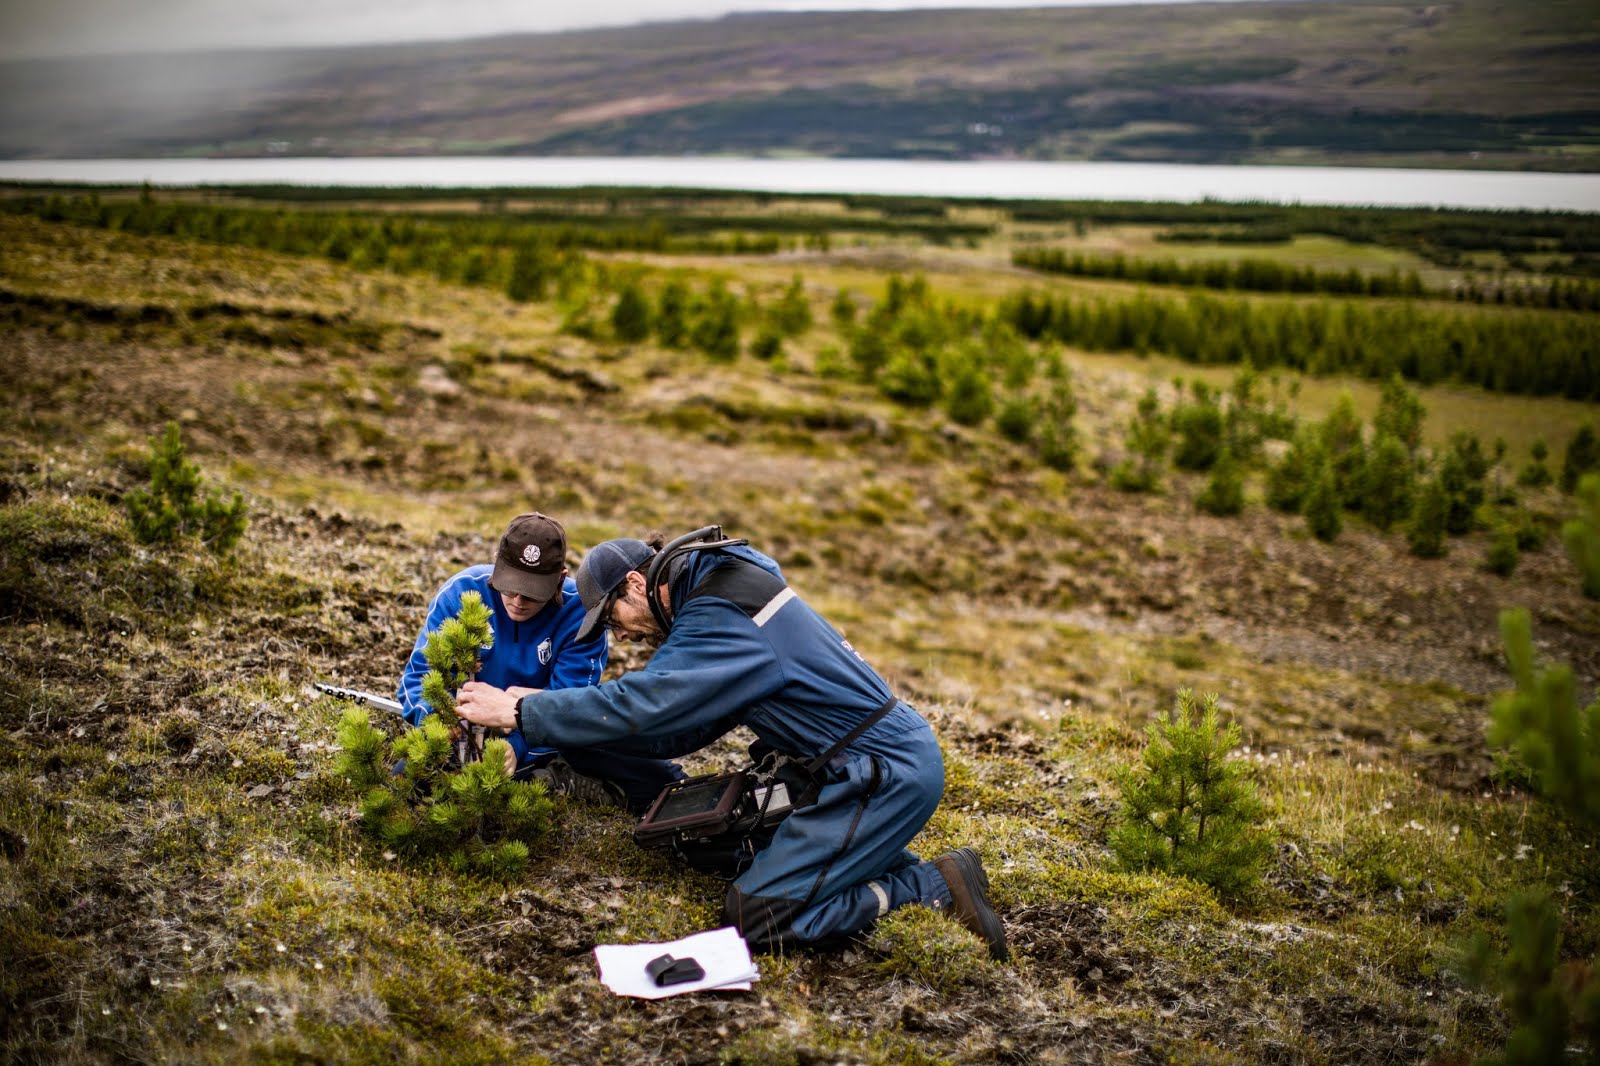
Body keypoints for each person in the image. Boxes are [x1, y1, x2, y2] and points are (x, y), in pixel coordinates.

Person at [456, 527, 1008, 960]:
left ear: (635, 584)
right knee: (721, 849)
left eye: (612, 619)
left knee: (755, 916)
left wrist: (523, 711)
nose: (618, 635)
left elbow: (647, 703)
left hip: (879, 773)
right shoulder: (719, 589)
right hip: (838, 768)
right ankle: (869, 859)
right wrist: (565, 725)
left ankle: (928, 884)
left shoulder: (719, 613)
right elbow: (676, 729)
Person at [397, 511, 684, 813]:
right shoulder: (463, 592)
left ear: (559, 580)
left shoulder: (581, 615)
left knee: (650, 773)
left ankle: (556, 777)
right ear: (497, 566)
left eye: (533, 594)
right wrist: (438, 724)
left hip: (538, 734)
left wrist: (517, 747)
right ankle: (545, 779)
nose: (518, 601)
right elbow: (418, 677)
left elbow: (570, 705)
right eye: (510, 586)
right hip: (462, 731)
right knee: (409, 779)